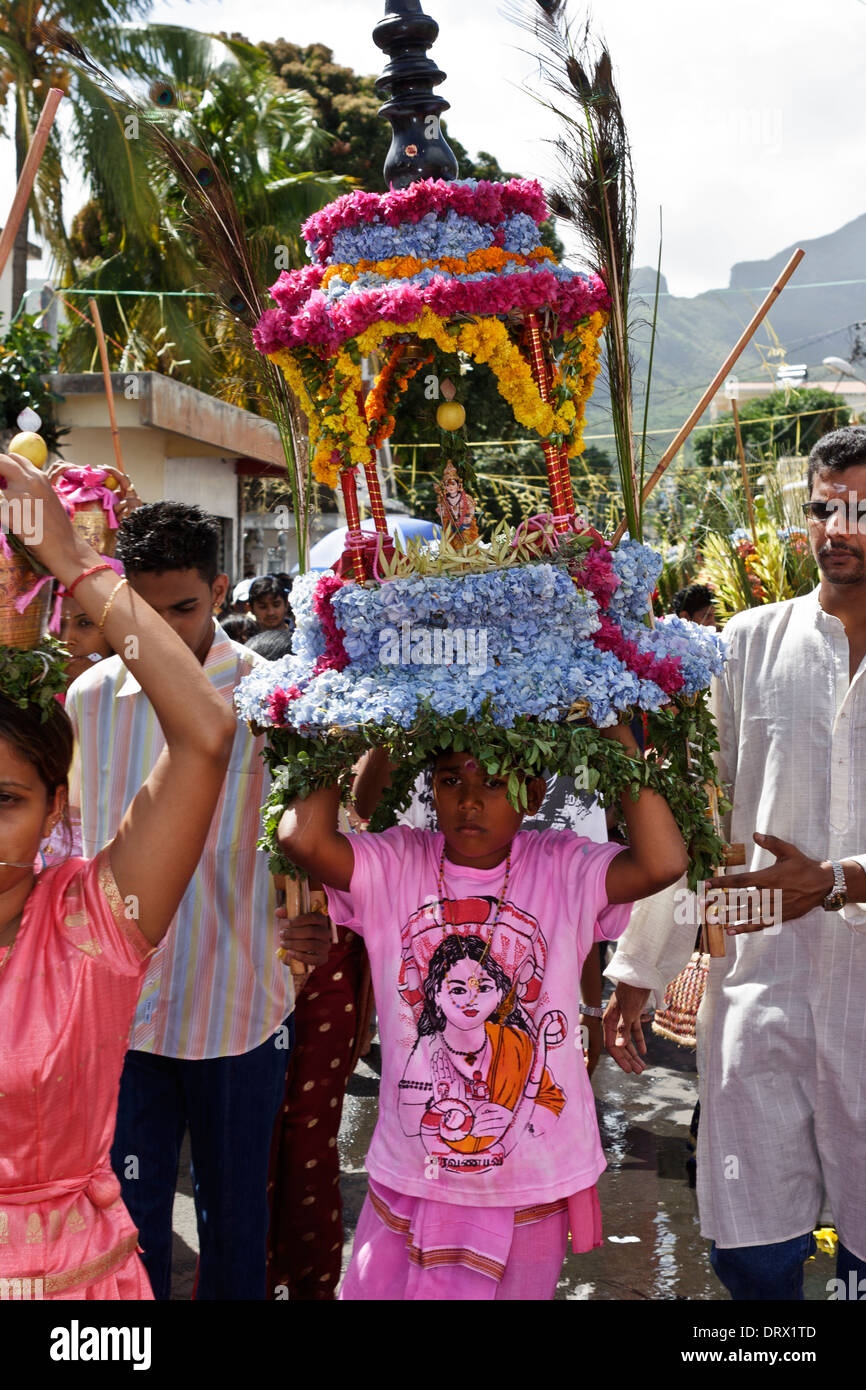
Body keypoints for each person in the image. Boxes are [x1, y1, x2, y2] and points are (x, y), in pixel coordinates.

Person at [279, 737, 687, 1300]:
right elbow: (302, 838)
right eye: (451, 782)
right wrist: (336, 710)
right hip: (412, 1176)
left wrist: (615, 726)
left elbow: (664, 862)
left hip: (530, 1182)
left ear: (532, 794)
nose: (469, 802)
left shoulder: (562, 863)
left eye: (494, 783)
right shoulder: (397, 859)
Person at [604, 424, 866, 1301]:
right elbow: (689, 822)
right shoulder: (746, 646)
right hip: (759, 984)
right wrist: (642, 967)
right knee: (754, 1252)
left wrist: (837, 882)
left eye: (864, 509)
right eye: (826, 507)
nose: (843, 528)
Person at [0, 449, 237, 1299]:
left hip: (79, 1290)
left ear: (56, 805)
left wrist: (72, 564)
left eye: (5, 802)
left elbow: (207, 731)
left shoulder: (91, 920)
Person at [65, 501, 298, 1301]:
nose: (164, 632)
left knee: (236, 1228)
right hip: (121, 1020)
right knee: (127, 1229)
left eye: (185, 610)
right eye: (146, 610)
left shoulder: (277, 703)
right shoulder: (88, 700)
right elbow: (76, 849)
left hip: (238, 1008)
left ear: (220, 589)